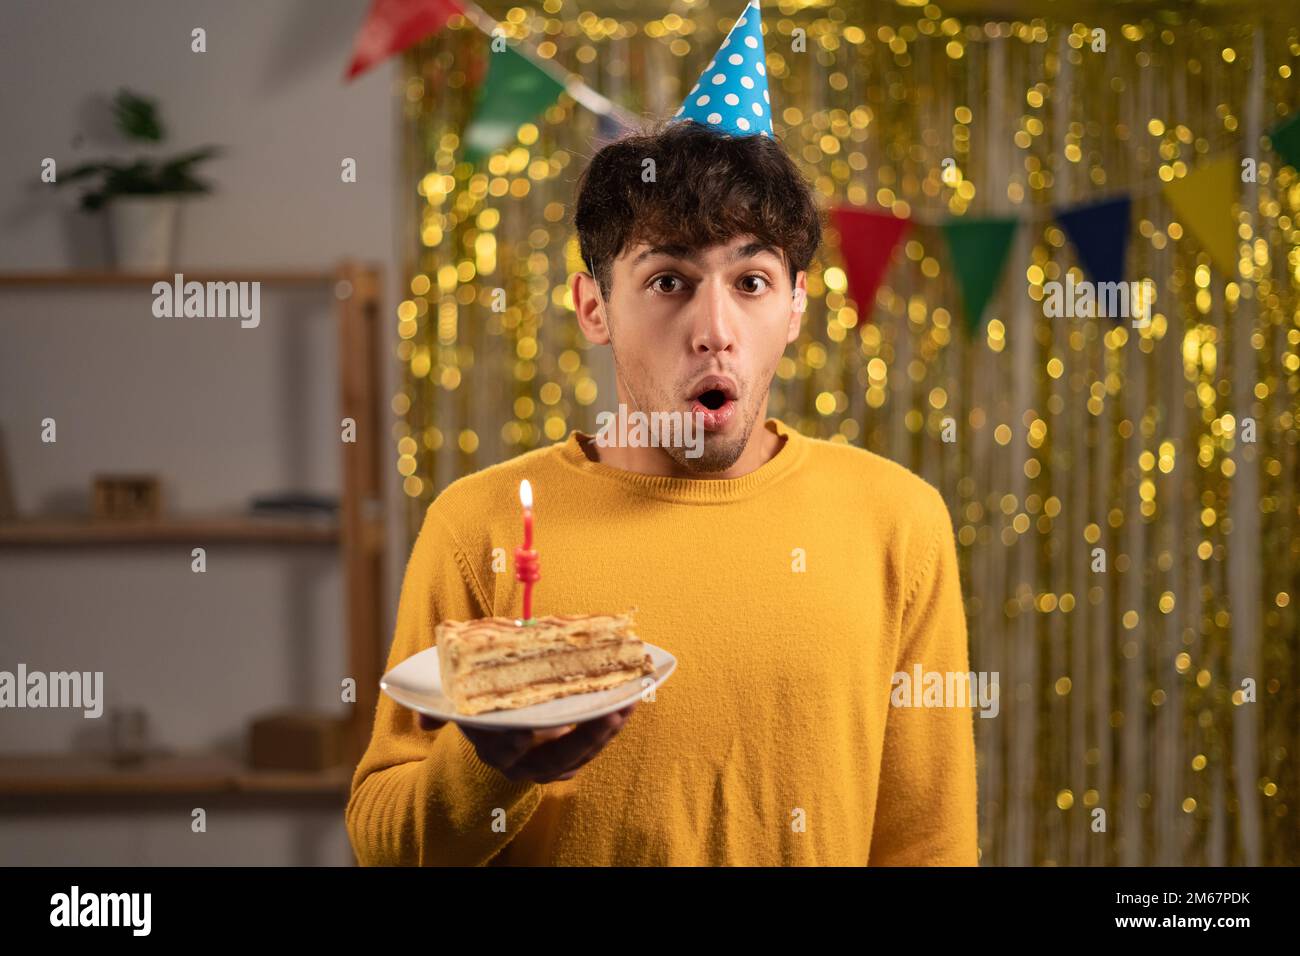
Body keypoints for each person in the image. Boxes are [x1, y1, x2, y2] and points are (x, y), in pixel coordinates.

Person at [346, 1, 977, 866]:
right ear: (594, 307)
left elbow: (928, 844)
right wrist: (489, 766)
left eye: (751, 281)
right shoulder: (476, 526)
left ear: (796, 307)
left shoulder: (898, 522)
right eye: (671, 280)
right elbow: (384, 843)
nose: (714, 327)